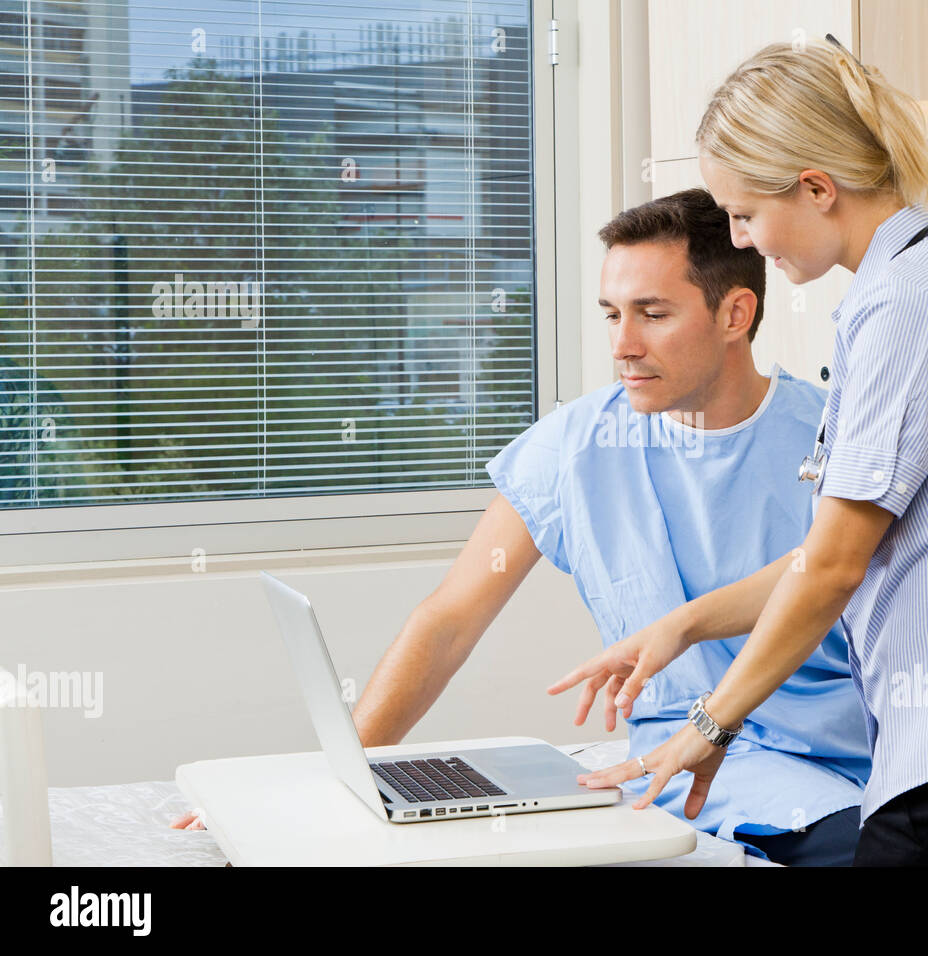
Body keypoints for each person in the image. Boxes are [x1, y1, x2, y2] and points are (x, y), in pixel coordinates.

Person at [551, 38, 928, 866]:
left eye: (745, 214)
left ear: (817, 188)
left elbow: (831, 569)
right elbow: (828, 550)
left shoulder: (906, 310)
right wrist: (682, 626)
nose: (745, 239)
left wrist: (712, 723)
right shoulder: (921, 287)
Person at [172, 189, 872, 866]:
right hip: (672, 762)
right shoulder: (578, 444)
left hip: (836, 762)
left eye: (652, 313)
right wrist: (345, 777)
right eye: (611, 314)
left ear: (735, 314)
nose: (623, 344)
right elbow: (449, 619)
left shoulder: (835, 436)